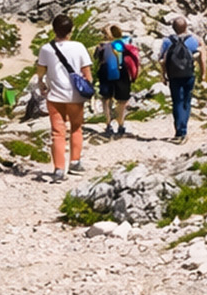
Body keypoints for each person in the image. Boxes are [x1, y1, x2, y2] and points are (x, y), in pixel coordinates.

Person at [37, 12, 93, 180]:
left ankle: (59, 169)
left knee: (57, 133)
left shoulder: (46, 49)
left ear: (54, 30)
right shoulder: (79, 47)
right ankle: (75, 162)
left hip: (55, 96)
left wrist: (41, 84)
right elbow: (87, 74)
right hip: (76, 96)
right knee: (76, 128)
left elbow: (40, 72)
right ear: (71, 30)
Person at [156, 16, 206, 143]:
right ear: (186, 27)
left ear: (173, 28)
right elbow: (202, 57)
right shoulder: (194, 40)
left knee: (177, 101)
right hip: (189, 74)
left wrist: (163, 75)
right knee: (186, 101)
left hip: (173, 75)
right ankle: (183, 130)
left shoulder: (167, 41)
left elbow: (162, 60)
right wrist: (203, 74)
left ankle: (179, 131)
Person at [94, 23, 135, 138]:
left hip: (105, 73)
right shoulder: (124, 44)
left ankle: (108, 124)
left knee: (106, 99)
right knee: (122, 100)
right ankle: (121, 123)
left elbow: (96, 58)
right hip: (122, 73)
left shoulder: (101, 46)